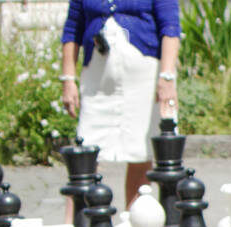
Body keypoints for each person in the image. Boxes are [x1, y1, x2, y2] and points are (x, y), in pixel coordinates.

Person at [60, 0, 182, 208]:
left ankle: (135, 225)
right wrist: (68, 80)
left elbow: (170, 27)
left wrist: (167, 77)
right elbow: (72, 29)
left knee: (140, 152)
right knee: (84, 156)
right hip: (97, 80)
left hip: (144, 78)